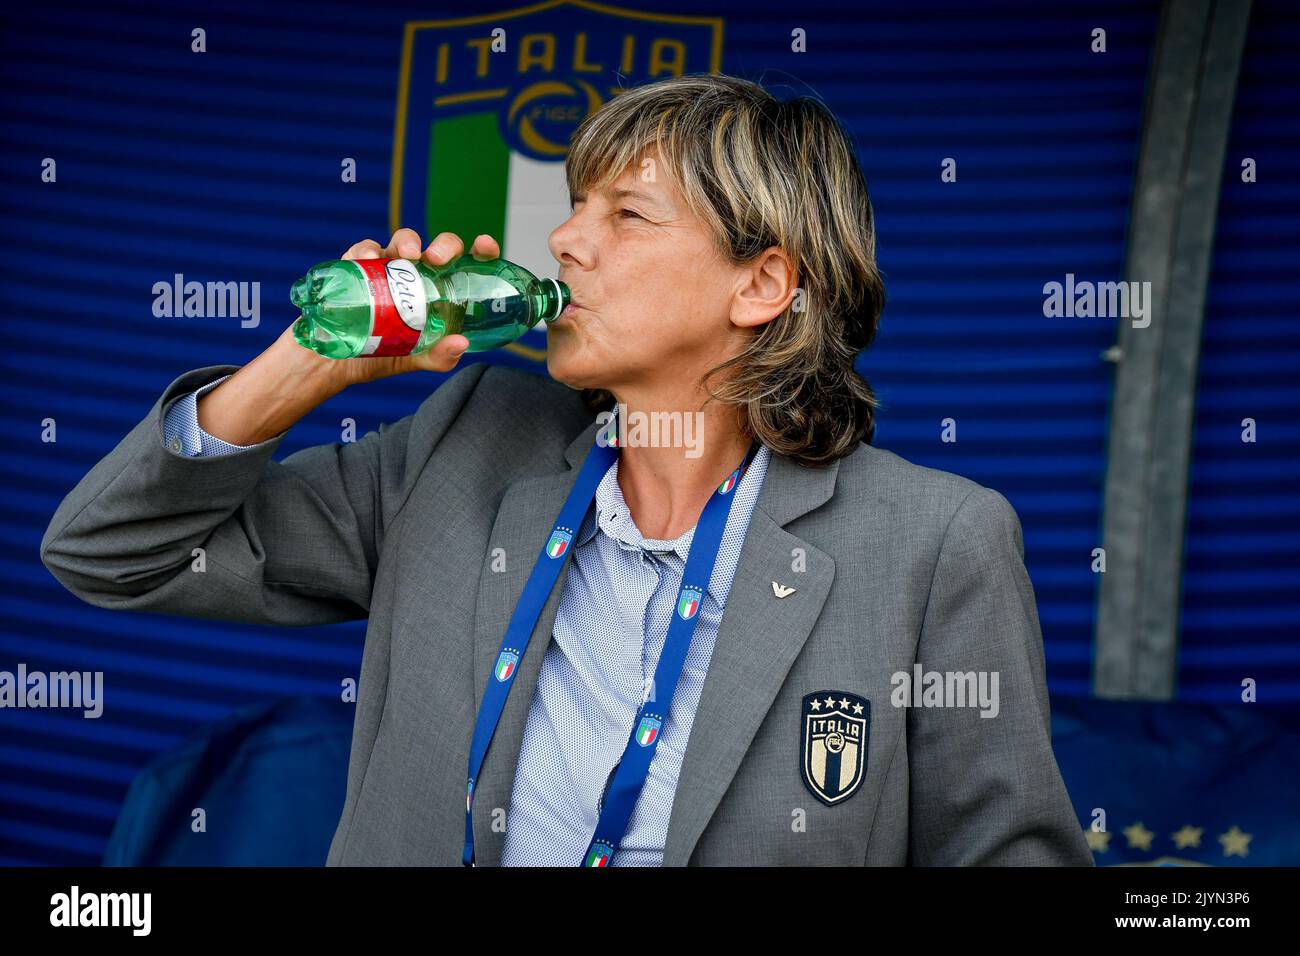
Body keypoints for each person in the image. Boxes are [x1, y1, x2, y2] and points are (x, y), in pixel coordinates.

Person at [41, 73, 1092, 866]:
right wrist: (305, 365)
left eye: (624, 215)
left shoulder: (931, 538)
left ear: (763, 281)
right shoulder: (463, 443)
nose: (565, 243)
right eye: (573, 207)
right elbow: (109, 555)